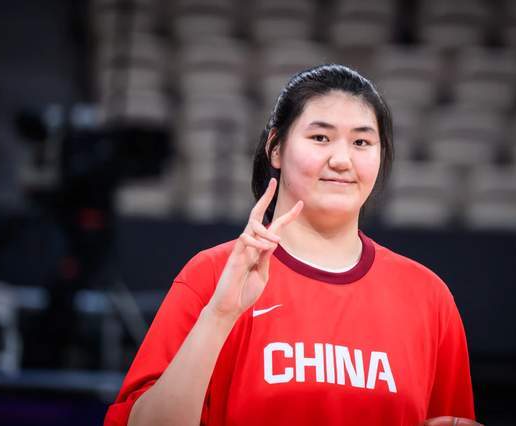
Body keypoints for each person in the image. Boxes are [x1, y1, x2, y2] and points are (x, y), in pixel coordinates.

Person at [104, 64, 477, 426]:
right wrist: (219, 315)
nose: (342, 160)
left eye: (361, 142)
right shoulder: (213, 276)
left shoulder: (428, 298)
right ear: (276, 148)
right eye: (320, 138)